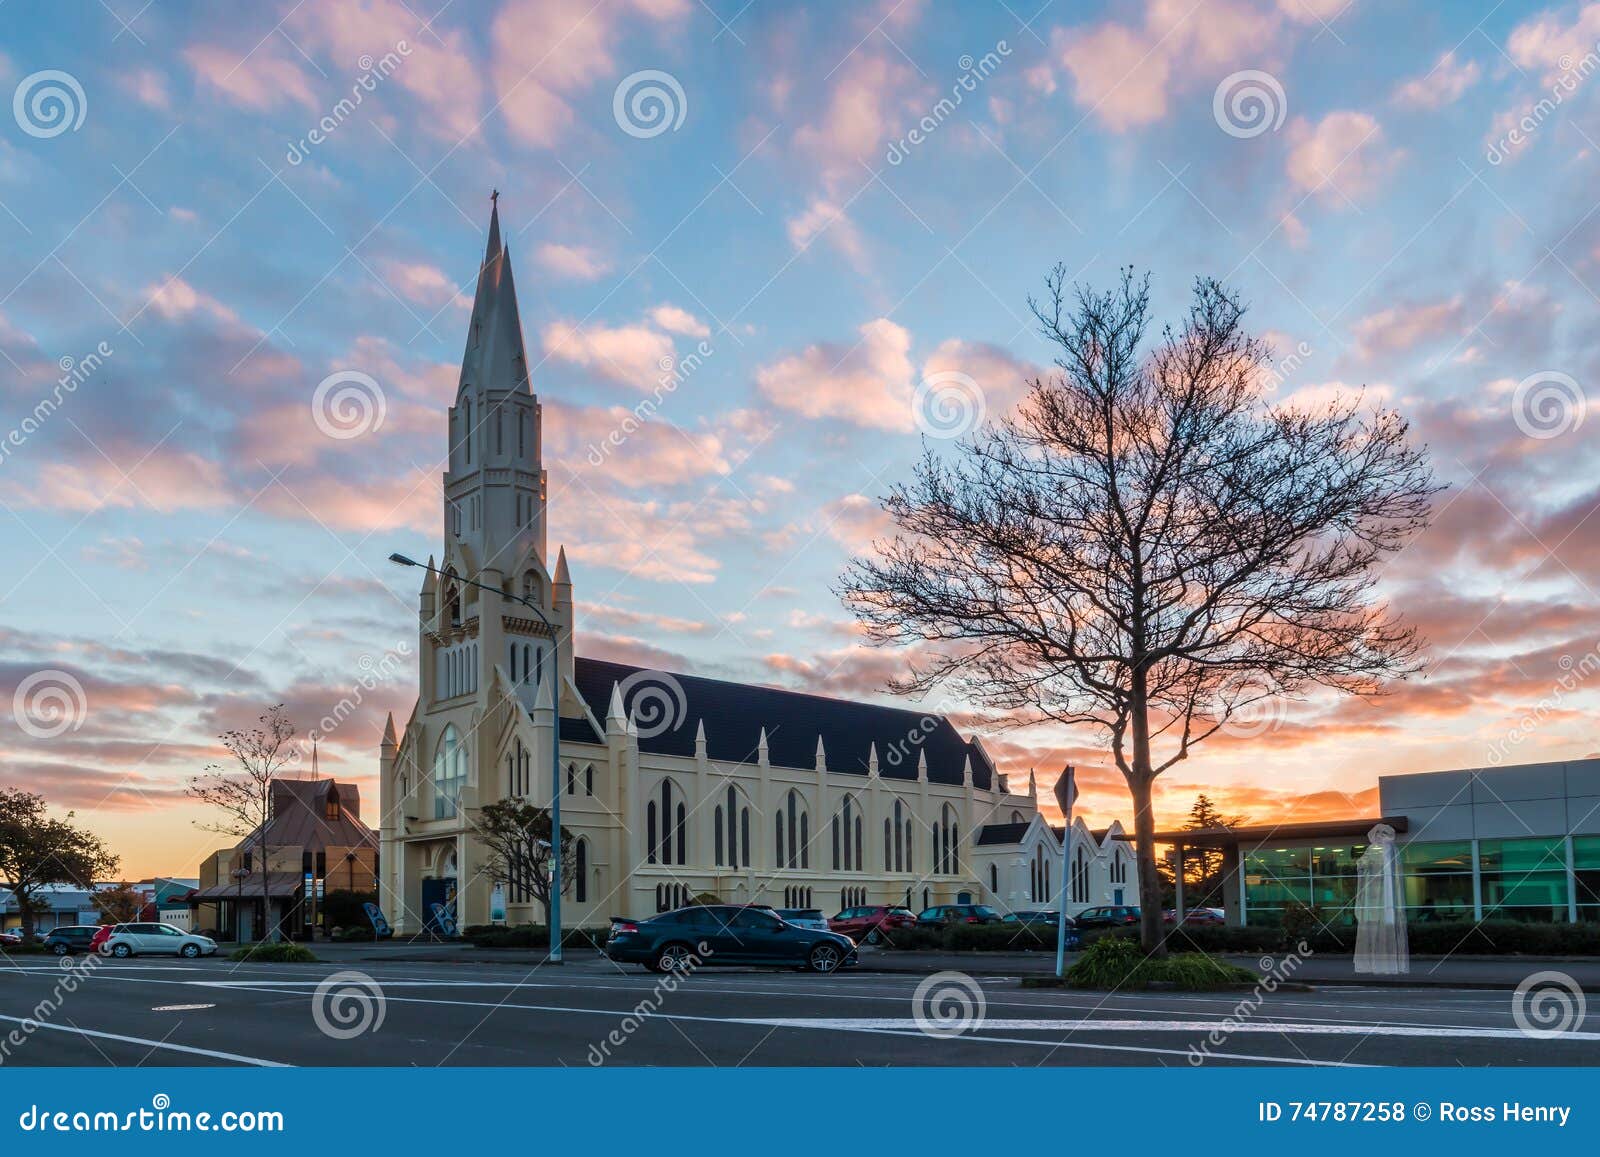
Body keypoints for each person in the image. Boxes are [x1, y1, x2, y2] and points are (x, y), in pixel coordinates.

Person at [1355, 823, 1408, 974]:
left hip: (1378, 895)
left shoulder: (1374, 849)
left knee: (1375, 930)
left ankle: (1377, 964)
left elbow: (1362, 865)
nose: (1379, 837)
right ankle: (1390, 965)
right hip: (1386, 896)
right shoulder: (1393, 849)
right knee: (1384, 928)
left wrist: (1359, 864)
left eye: (1380, 834)